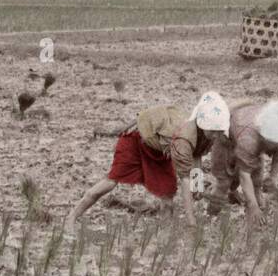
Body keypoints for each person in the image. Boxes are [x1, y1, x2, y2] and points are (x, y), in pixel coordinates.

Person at [69, 92, 228, 227]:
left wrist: (198, 185)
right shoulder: (184, 139)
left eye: (218, 131)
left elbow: (197, 155)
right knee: (110, 182)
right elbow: (185, 180)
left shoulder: (207, 135)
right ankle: (72, 217)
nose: (216, 135)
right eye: (213, 131)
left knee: (167, 197)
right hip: (135, 140)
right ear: (203, 123)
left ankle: (165, 237)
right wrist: (192, 224)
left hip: (159, 151)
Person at [206, 99, 278, 223]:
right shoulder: (250, 138)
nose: (276, 146)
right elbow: (244, 175)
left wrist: (272, 177)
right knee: (223, 183)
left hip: (249, 141)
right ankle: (209, 216)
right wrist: (253, 207)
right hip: (226, 141)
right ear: (264, 136)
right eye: (273, 143)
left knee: (257, 182)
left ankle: (257, 218)